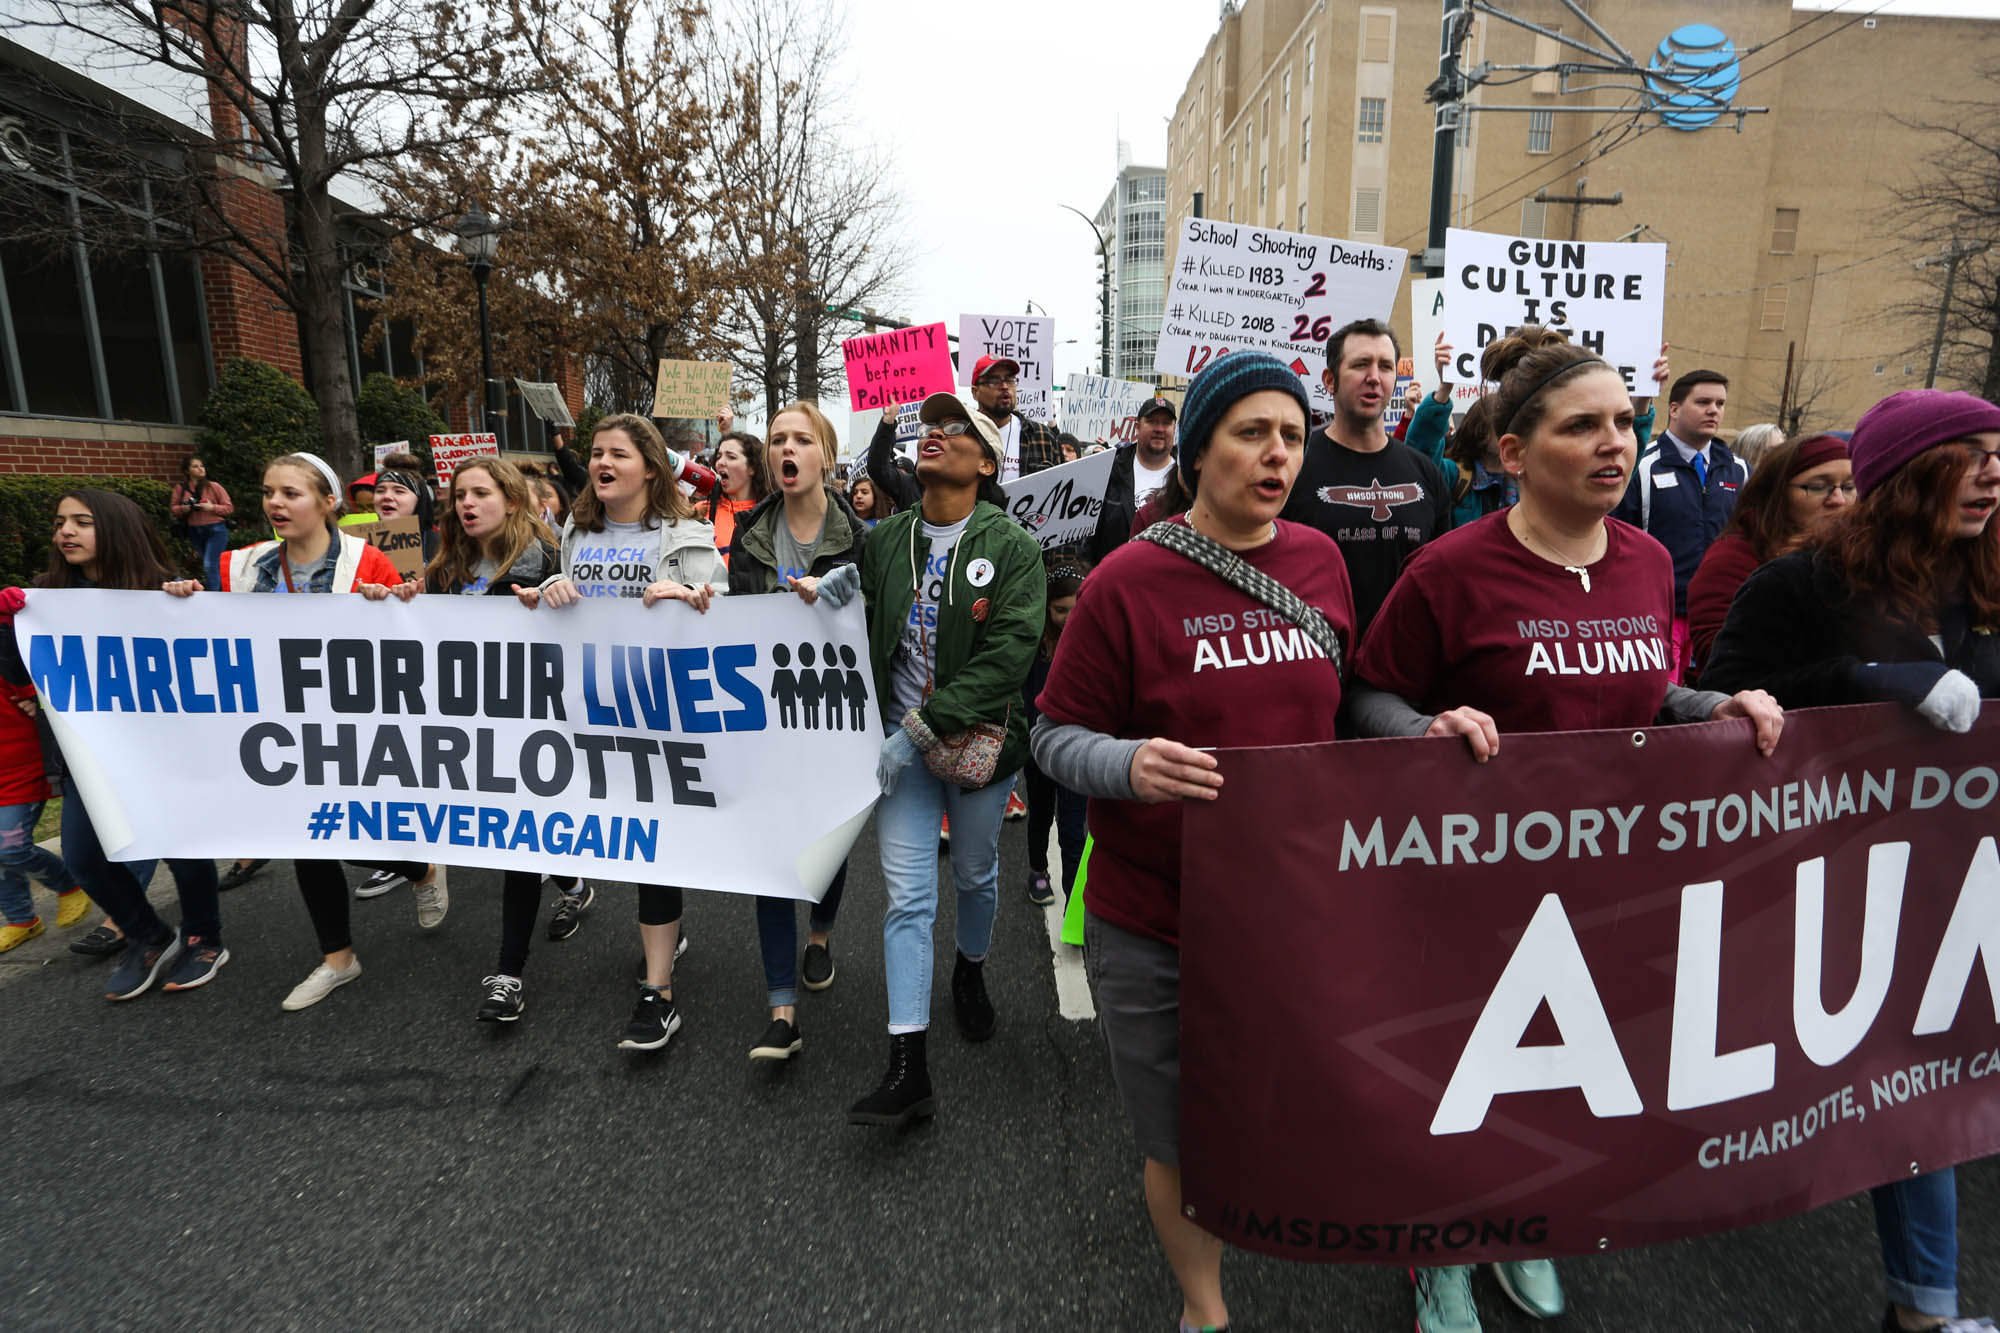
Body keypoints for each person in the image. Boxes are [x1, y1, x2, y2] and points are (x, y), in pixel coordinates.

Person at [1347, 327, 1782, 1333]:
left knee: (1565, 1076)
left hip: (1605, 876)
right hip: (1470, 885)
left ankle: (1523, 1225)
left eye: (1623, 424)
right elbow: (1366, 692)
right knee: (1464, 1080)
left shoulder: (1639, 560)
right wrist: (1425, 727)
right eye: (1581, 425)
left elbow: (1640, 687)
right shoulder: (1448, 568)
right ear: (1512, 454)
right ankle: (1440, 1252)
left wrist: (1700, 708)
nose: (1612, 444)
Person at [1031, 351, 1355, 1333]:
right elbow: (1049, 735)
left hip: (1290, 909)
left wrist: (1424, 727)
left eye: (1292, 436)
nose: (1276, 454)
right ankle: (1203, 1308)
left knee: (1272, 1105)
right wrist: (1127, 766)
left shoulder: (1319, 562)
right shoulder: (1130, 577)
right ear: (1199, 446)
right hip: (1156, 918)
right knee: (1175, 1133)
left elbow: (1352, 701)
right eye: (1251, 432)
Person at [1702, 388, 2000, 1333]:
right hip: (1826, 884)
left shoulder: (1994, 583)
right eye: (1971, 452)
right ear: (1908, 473)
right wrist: (1867, 684)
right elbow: (1711, 707)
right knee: (1889, 1079)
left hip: (1962, 887)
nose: (1996, 472)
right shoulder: (1801, 586)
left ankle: (1926, 1307)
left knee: (1924, 1081)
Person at [814, 390, 1044, 1129]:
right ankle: (907, 1062)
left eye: (957, 430)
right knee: (909, 899)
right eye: (932, 426)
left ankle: (970, 969)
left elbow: (1008, 658)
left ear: (984, 461)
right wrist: (840, 592)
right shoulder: (886, 539)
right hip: (899, 753)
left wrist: (919, 726)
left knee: (975, 872)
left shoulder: (1012, 548)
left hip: (973, 748)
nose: (935, 434)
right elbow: (861, 629)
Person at [198, 453, 446, 1009]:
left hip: (356, 726)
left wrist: (399, 602)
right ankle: (338, 959)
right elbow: (211, 634)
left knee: (354, 836)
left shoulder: (370, 562)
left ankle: (421, 866)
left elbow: (410, 644)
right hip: (283, 726)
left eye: (291, 493)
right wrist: (181, 600)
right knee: (305, 840)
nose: (275, 504)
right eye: (268, 493)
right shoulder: (239, 567)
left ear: (328, 502)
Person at [517, 412, 725, 1051]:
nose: (602, 463)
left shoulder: (688, 532)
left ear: (651, 467)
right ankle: (668, 938)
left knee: (653, 844)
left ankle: (657, 995)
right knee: (628, 839)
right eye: (597, 453)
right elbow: (566, 606)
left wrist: (692, 594)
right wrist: (546, 590)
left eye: (618, 454)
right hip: (591, 713)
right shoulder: (576, 532)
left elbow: (723, 609)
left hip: (661, 714)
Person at [3, 490, 230, 997]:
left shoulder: (161, 591)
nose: (66, 531)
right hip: (89, 756)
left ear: (115, 530)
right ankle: (149, 936)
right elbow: (22, 675)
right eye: (60, 521)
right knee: (86, 858)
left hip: (164, 752)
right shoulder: (43, 598)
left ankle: (204, 937)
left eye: (82, 522)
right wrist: (9, 624)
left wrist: (188, 610)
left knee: (181, 848)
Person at [395, 456, 588, 1023]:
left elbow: (588, 629)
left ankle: (509, 973)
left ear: (510, 499)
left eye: (480, 493)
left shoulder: (549, 560)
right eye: (459, 495)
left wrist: (558, 597)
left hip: (536, 726)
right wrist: (392, 606)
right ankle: (574, 881)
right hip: (471, 731)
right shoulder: (445, 570)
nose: (467, 504)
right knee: (516, 838)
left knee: (519, 843)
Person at [724, 401, 869, 1061]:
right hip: (767, 726)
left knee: (825, 853)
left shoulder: (862, 536)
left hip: (833, 727)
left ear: (825, 457)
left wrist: (841, 592)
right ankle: (781, 1007)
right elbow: (734, 624)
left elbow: (879, 617)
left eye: (801, 439)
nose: (786, 448)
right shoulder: (750, 531)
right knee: (772, 862)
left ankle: (821, 935)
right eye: (777, 438)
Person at [1279, 318, 1453, 637]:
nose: (1374, 377)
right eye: (1361, 365)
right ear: (1330, 380)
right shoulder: (1290, 467)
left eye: (1385, 367)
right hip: (1319, 661)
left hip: (1403, 669)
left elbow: (1441, 578)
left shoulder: (1425, 473)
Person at [1611, 368, 1745, 679]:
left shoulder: (1738, 470)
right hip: (1658, 614)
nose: (1714, 410)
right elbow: (1618, 536)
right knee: (1664, 706)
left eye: (1720, 403)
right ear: (1674, 409)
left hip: (1717, 617)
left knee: (1715, 707)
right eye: (1703, 402)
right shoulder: (1643, 467)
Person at [1684, 433, 1852, 679]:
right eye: (1818, 487)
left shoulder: (1859, 555)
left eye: (1849, 487)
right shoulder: (1733, 557)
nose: (1839, 500)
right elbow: (1720, 656)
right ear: (1778, 492)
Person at [1021, 556, 1090, 907]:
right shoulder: (1037, 646)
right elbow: (1026, 696)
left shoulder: (1093, 643)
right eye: (1060, 610)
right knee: (1041, 813)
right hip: (1040, 750)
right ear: (1046, 608)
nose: (1069, 617)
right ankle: (1037, 869)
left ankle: (1076, 897)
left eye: (1076, 608)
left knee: (1075, 828)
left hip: (1078, 751)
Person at [0, 680, 86, 953]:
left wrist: (33, 699)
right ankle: (21, 920)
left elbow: (44, 686)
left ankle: (69, 884)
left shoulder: (6, 652)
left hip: (21, 770)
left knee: (11, 849)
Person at [1091, 396, 1178, 565]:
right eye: (1152, 421)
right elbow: (1088, 537)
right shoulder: (1109, 471)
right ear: (1137, 427)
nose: (1159, 429)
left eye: (1166, 423)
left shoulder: (1189, 477)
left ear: (1174, 429)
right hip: (1116, 580)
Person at [968, 354, 1063, 482]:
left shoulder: (1043, 436)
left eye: (1010, 380)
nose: (1005, 386)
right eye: (994, 381)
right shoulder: (962, 435)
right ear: (975, 392)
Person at [169, 455, 234, 588]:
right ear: (187, 471)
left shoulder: (214, 486)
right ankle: (224, 590)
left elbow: (229, 508)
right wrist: (184, 508)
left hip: (216, 529)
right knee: (211, 565)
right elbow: (173, 508)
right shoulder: (180, 489)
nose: (200, 469)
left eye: (202, 466)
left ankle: (214, 597)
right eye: (195, 466)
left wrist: (212, 507)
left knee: (210, 564)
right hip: (194, 530)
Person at [707, 429, 769, 562]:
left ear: (752, 468)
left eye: (731, 457)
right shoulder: (701, 511)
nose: (720, 463)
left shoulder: (770, 514)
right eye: (719, 457)